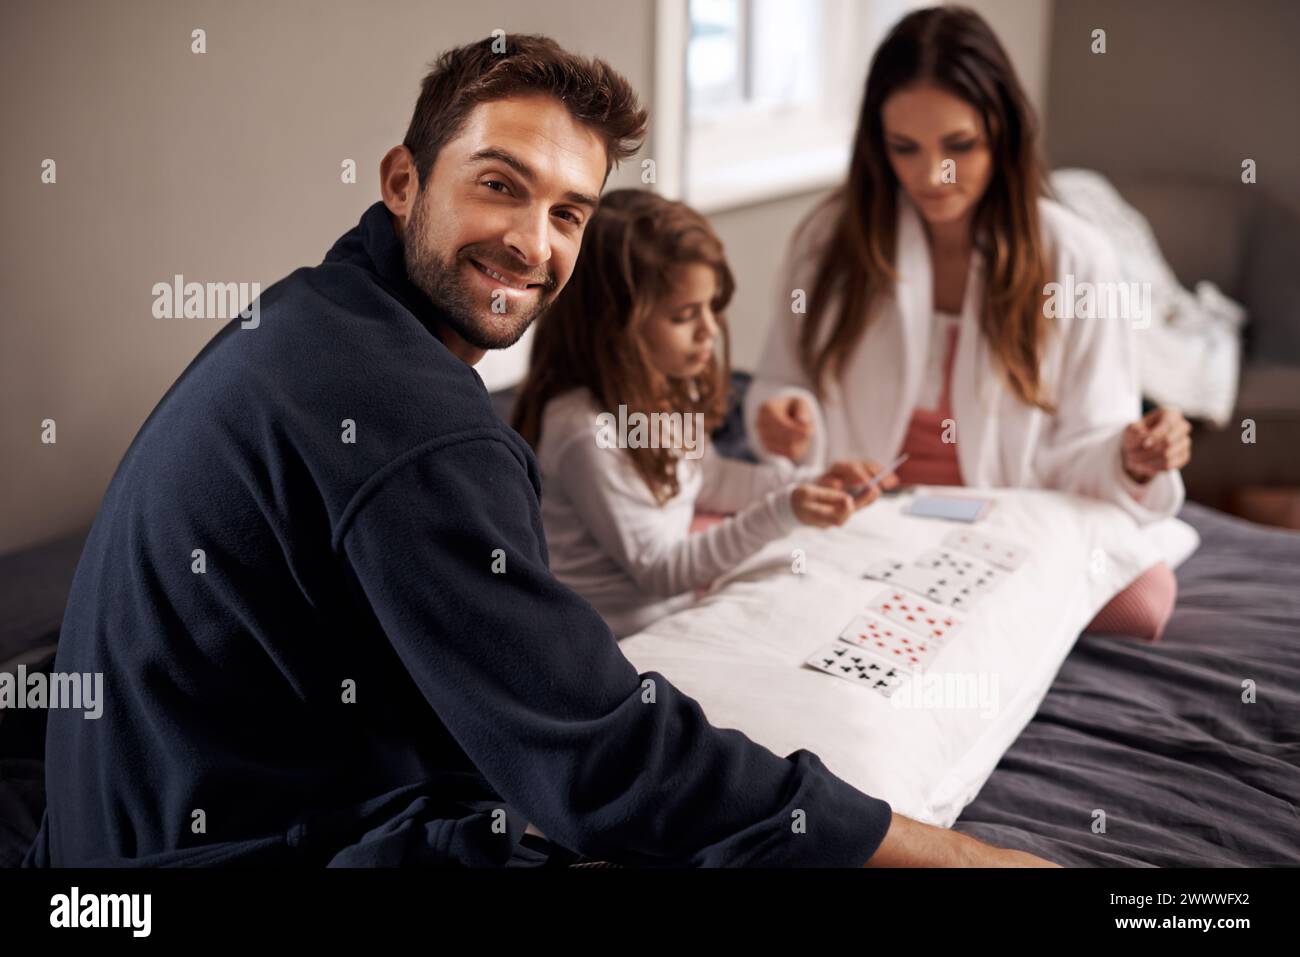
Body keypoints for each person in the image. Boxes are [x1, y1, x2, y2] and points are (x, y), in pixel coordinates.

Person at [29, 33, 1052, 867]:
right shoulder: (415, 426)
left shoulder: (305, 316)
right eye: (498, 186)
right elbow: (605, 765)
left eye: (568, 212)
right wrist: (953, 856)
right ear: (402, 180)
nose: (532, 241)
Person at [745, 6, 1191, 641]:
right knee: (755, 579)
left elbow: (1088, 445)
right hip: (873, 515)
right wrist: (782, 417)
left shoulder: (1074, 256)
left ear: (1002, 135)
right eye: (905, 148)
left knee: (1142, 601)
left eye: (960, 146)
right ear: (878, 142)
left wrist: (1135, 459)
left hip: (1012, 517)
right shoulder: (828, 241)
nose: (933, 176)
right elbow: (780, 386)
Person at [511, 189, 895, 638]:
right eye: (684, 316)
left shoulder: (669, 384)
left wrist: (811, 482)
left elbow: (708, 481)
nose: (709, 330)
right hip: (622, 640)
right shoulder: (584, 432)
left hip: (681, 611)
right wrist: (783, 510)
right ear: (614, 325)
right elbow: (660, 570)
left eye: (712, 308)